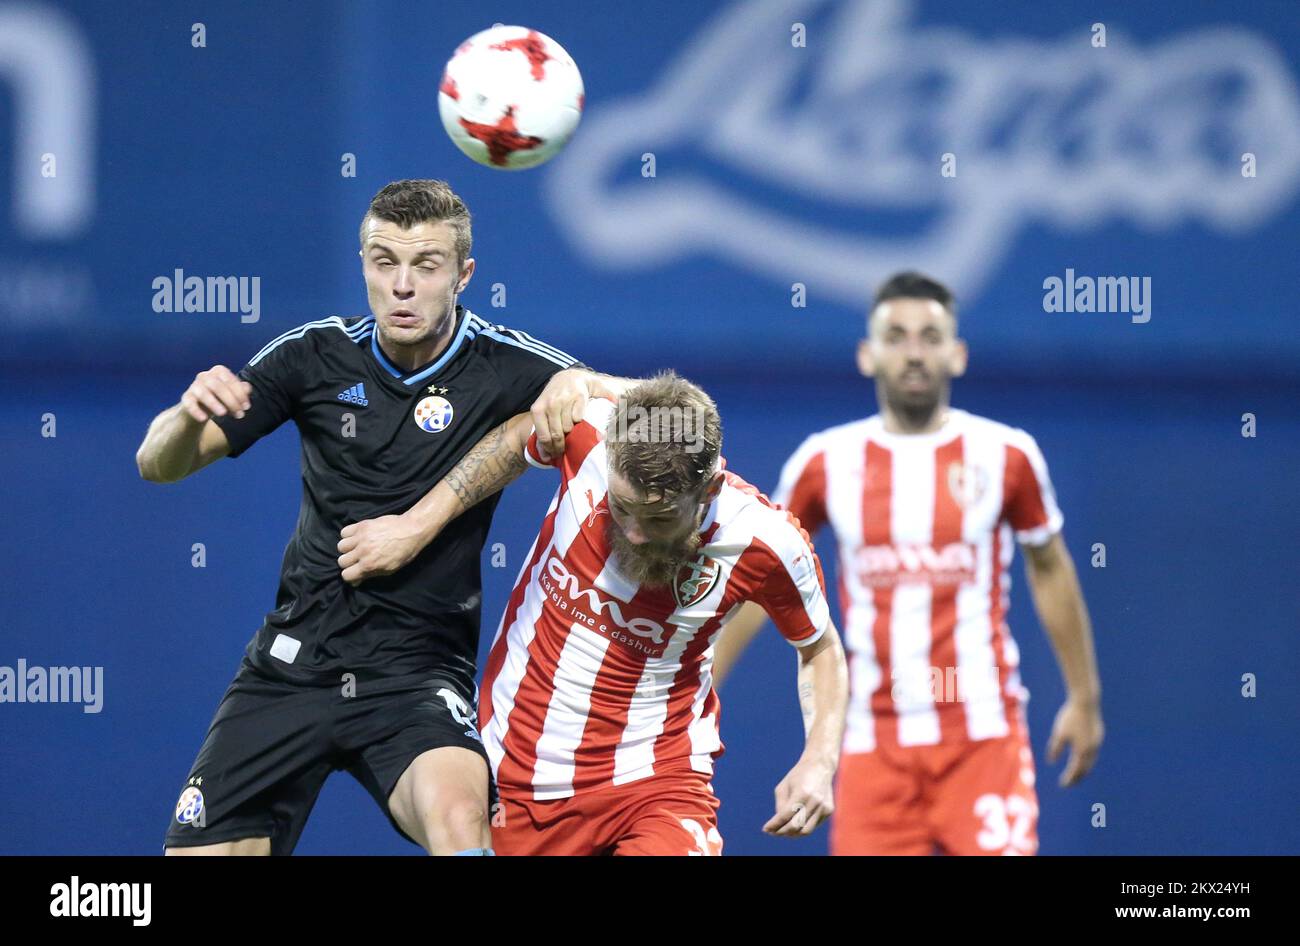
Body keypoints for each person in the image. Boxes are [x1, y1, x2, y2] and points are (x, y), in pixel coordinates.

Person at [136, 178, 624, 855]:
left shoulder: (506, 364)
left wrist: (587, 384)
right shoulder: (313, 354)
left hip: (417, 678)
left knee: (462, 829)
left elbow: (665, 413)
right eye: (383, 261)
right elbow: (157, 464)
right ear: (362, 263)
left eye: (426, 266)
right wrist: (185, 418)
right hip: (289, 669)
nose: (402, 285)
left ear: (463, 275)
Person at [362, 371, 849, 854]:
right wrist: (417, 524)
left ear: (709, 489)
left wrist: (820, 760)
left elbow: (820, 648)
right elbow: (514, 439)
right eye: (622, 507)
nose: (634, 533)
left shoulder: (767, 543)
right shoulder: (590, 437)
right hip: (513, 779)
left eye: (658, 517)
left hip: (657, 784)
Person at [712, 272, 1104, 856]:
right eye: (896, 336)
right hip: (874, 743)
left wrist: (1084, 697)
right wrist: (694, 691)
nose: (914, 352)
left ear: (958, 354)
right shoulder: (825, 462)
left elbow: (1050, 569)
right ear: (867, 356)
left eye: (930, 336)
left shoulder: (1007, 456)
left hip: (984, 737)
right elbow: (759, 582)